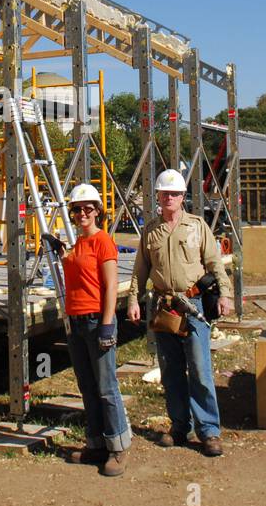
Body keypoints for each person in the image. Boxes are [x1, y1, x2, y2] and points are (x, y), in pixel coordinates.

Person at [127, 169, 235, 457]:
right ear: (158, 197)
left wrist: (225, 294)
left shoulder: (197, 227)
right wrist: (133, 301)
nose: (169, 198)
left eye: (174, 193)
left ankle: (209, 431)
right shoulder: (151, 231)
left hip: (193, 305)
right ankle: (179, 427)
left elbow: (215, 265)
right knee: (171, 371)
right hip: (164, 308)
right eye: (164, 193)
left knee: (200, 369)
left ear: (183, 197)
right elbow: (140, 271)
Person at [60, 184, 132, 476]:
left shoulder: (104, 242)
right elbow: (75, 270)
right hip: (75, 321)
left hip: (95, 321)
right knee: (87, 387)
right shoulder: (77, 245)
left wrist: (107, 323)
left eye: (87, 209)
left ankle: (118, 448)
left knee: (105, 387)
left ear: (98, 211)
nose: (81, 214)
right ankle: (96, 444)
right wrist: (61, 252)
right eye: (77, 210)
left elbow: (111, 286)